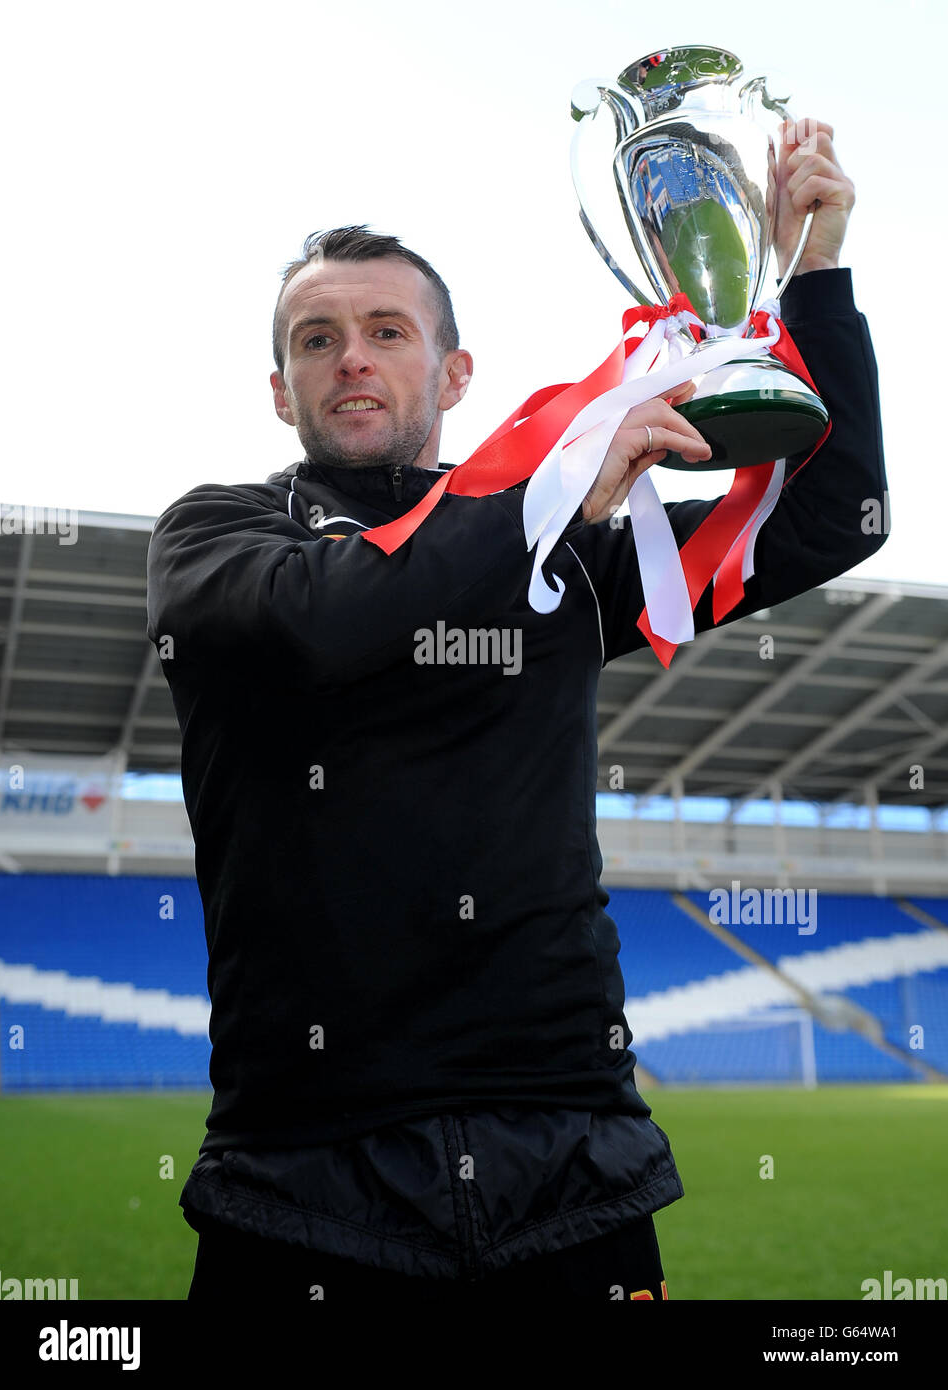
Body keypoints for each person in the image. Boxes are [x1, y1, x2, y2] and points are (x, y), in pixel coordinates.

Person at [146, 119, 885, 1303]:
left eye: (388, 333)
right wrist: (547, 499)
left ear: (455, 375)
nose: (351, 359)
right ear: (278, 388)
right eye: (316, 339)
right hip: (303, 1175)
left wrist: (814, 279)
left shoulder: (568, 545)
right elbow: (323, 619)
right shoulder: (216, 531)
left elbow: (833, 512)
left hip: (573, 1160)